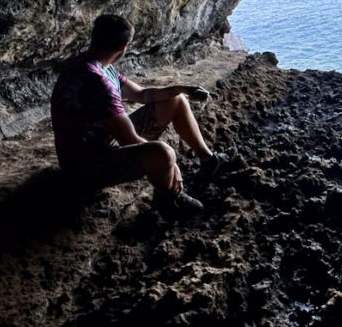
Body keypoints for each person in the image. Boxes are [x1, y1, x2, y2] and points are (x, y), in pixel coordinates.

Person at [50, 14, 227, 213]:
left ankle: (209, 161)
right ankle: (170, 198)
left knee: (175, 100)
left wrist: (182, 89)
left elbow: (141, 94)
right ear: (123, 47)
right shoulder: (98, 82)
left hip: (98, 142)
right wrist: (173, 165)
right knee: (164, 153)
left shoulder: (96, 66)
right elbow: (129, 140)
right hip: (85, 168)